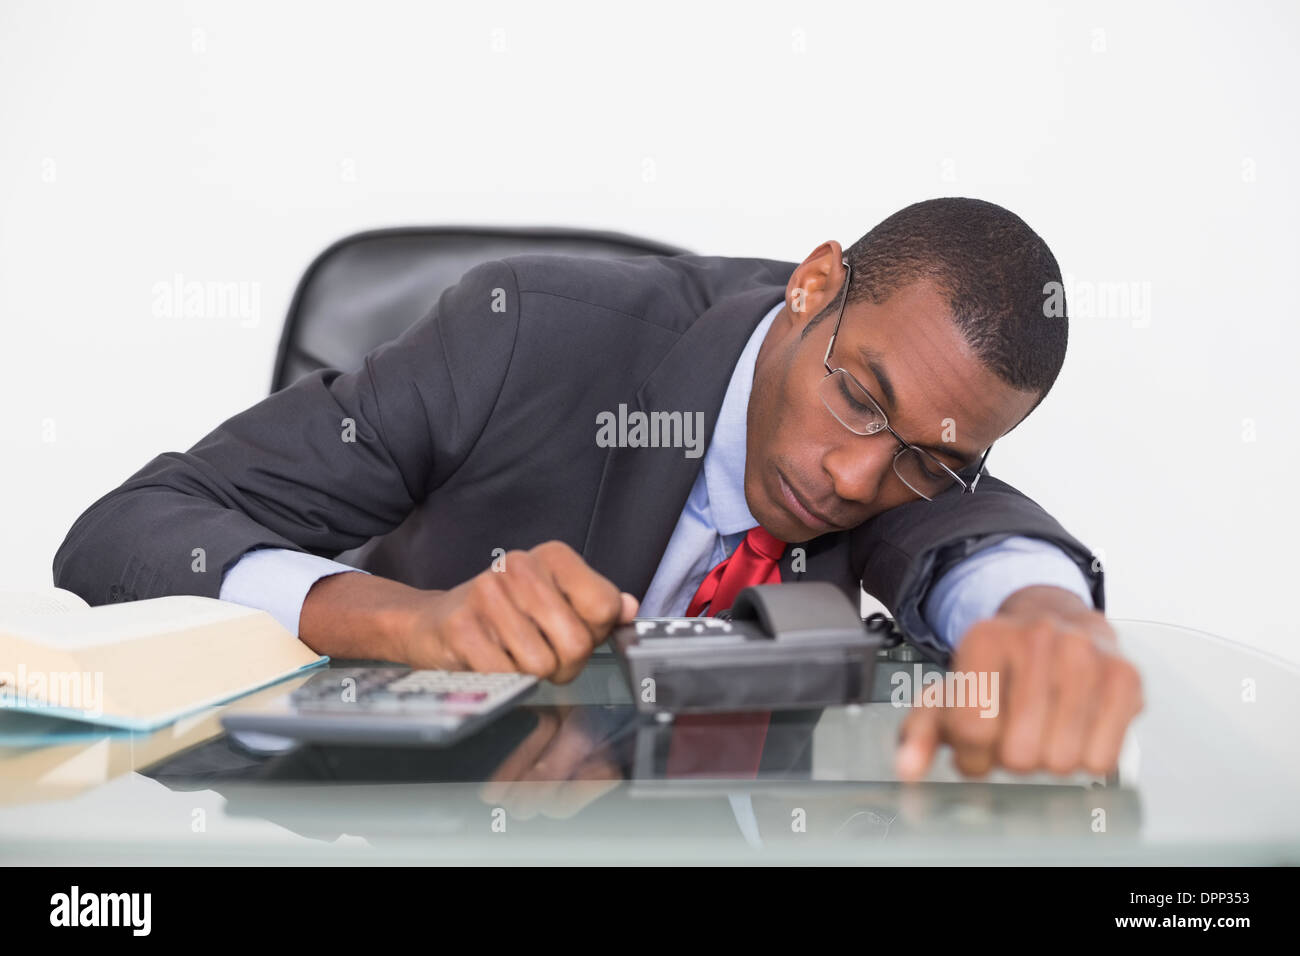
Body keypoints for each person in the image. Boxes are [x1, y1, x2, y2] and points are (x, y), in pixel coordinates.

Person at [53, 197, 1143, 781]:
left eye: (927, 456)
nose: (859, 478)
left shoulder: (911, 450)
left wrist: (1040, 613)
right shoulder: (521, 335)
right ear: (813, 284)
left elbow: (970, 532)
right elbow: (128, 530)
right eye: (858, 397)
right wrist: (396, 619)